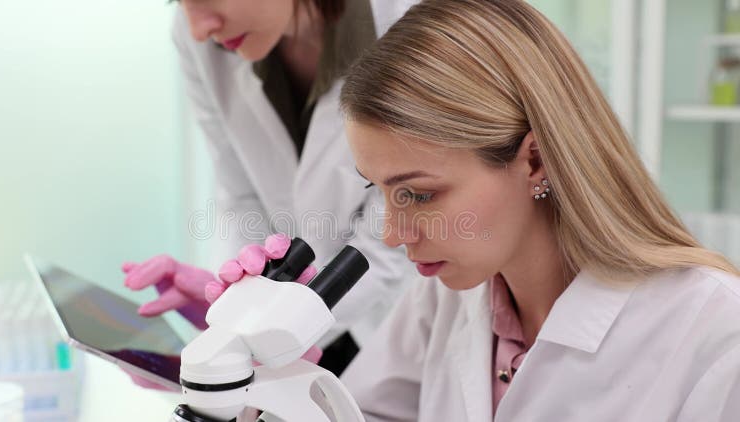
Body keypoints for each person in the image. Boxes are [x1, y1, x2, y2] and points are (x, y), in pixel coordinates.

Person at [324, 0, 740, 420]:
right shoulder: (445, 301)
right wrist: (273, 374)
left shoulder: (717, 333)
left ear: (536, 160)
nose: (393, 236)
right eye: (379, 190)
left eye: (418, 194)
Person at [122, 0, 418, 376]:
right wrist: (238, 310)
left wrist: (260, 336)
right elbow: (241, 195)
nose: (197, 27)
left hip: (404, 325)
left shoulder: (411, 19)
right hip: (303, 335)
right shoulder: (201, 42)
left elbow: (391, 238)